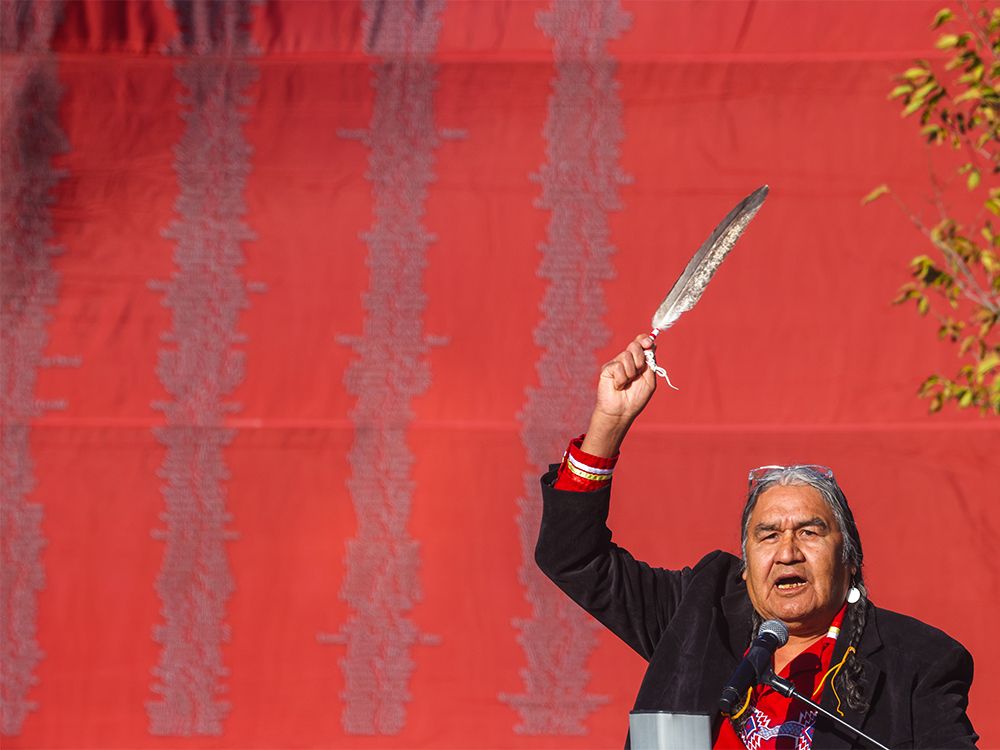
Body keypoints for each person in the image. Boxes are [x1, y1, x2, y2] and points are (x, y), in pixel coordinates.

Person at [535, 334, 978, 749]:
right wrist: (608, 426)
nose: (788, 552)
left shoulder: (920, 662)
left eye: (809, 532)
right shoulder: (698, 613)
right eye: (768, 535)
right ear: (746, 563)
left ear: (849, 557)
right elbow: (572, 556)